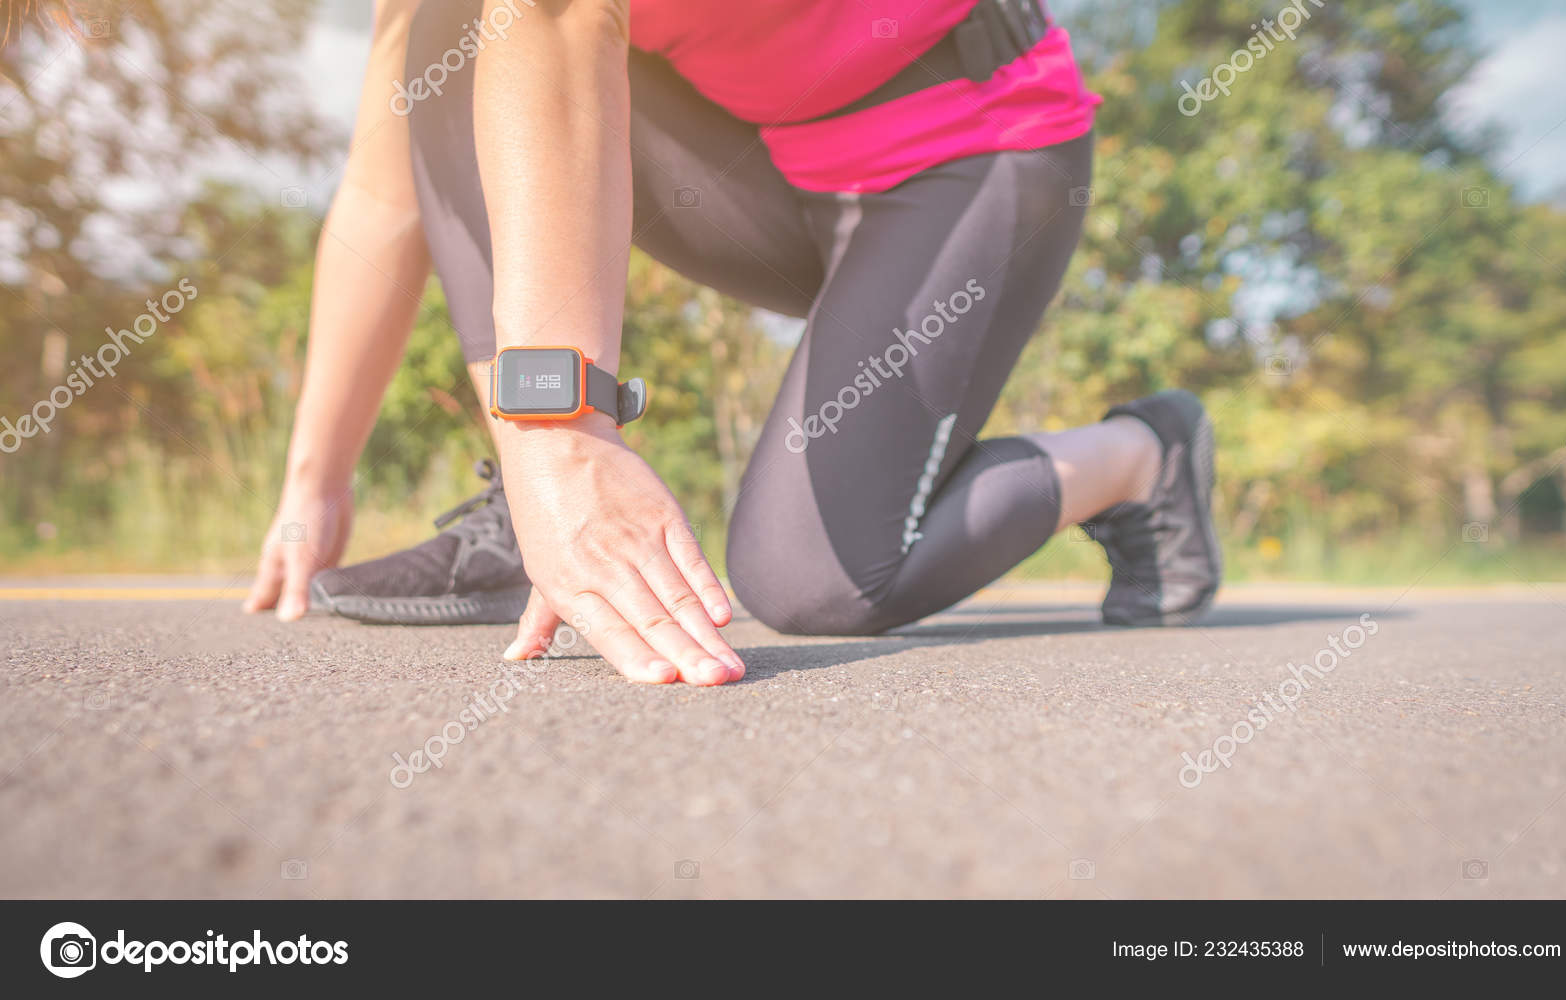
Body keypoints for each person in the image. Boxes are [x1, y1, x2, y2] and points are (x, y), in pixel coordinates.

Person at [246, 0, 1222, 686]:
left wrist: (563, 431)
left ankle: (1144, 454)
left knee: (816, 586)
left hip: (968, 150)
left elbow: (558, 16)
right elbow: (384, 190)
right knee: (450, 32)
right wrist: (313, 478)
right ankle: (529, 523)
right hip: (765, 167)